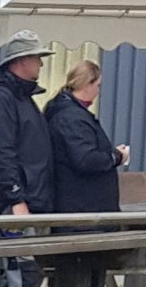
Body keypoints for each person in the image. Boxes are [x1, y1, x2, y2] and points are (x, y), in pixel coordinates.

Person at [0, 40, 54, 287]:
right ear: (21, 61)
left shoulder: (24, 99)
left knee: (27, 270)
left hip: (30, 201)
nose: (41, 63)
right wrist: (16, 198)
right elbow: (2, 151)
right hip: (15, 206)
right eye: (37, 57)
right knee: (20, 272)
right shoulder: (5, 98)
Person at [45, 58, 129, 216]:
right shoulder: (72, 118)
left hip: (85, 206)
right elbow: (85, 159)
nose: (98, 91)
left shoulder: (68, 113)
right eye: (97, 85)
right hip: (84, 209)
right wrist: (115, 157)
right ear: (87, 84)